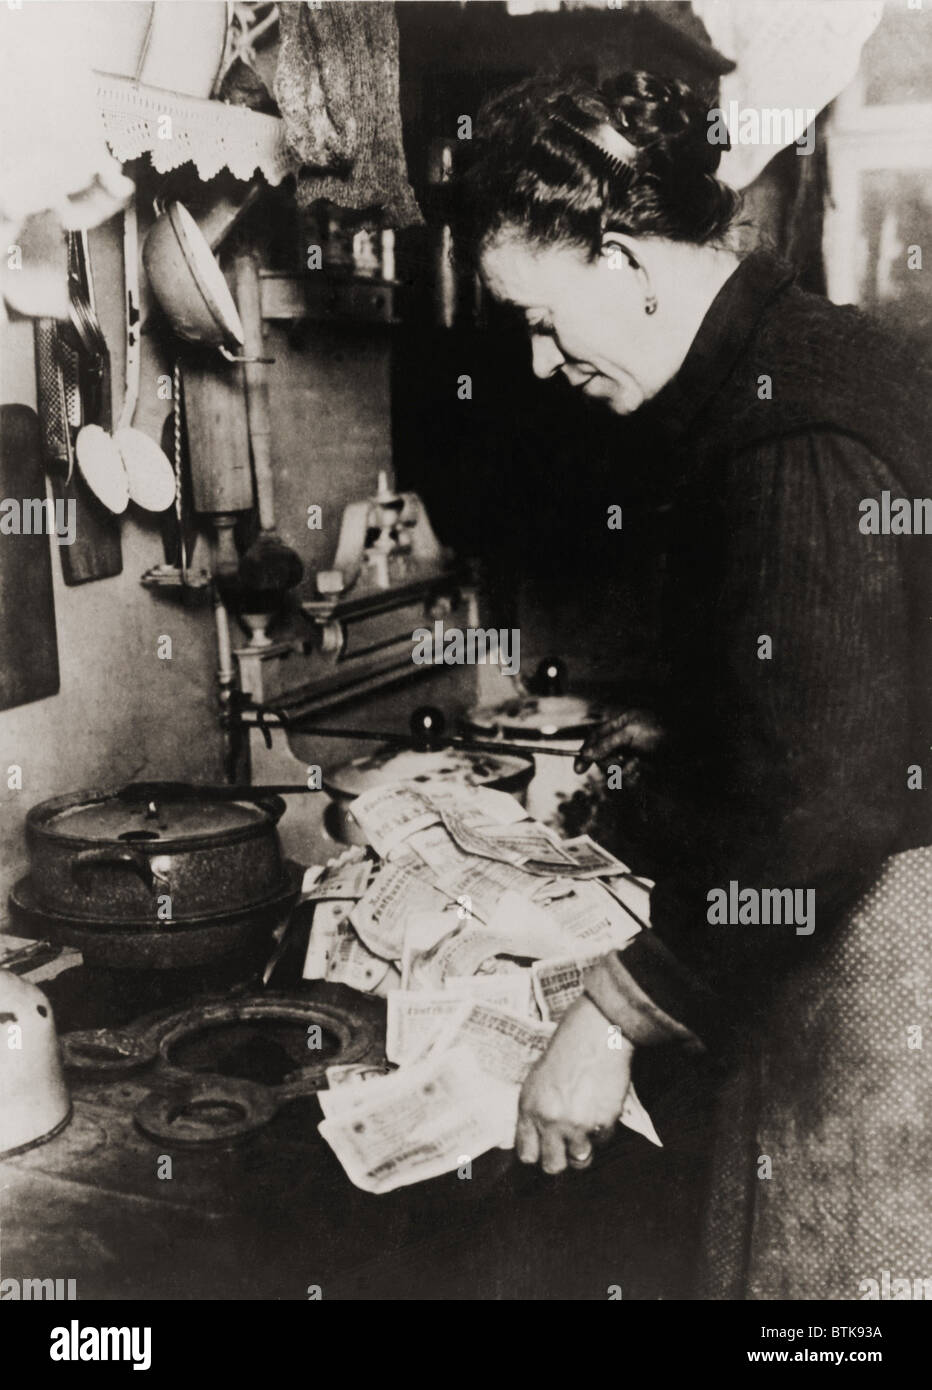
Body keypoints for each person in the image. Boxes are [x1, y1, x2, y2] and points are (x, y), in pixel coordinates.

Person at [455, 71, 932, 1300]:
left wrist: (609, 1014)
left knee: (830, 1297)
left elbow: (823, 805)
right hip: (856, 917)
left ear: (621, 258)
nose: (541, 361)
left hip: (888, 952)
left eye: (542, 318)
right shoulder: (794, 360)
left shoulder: (790, 431)